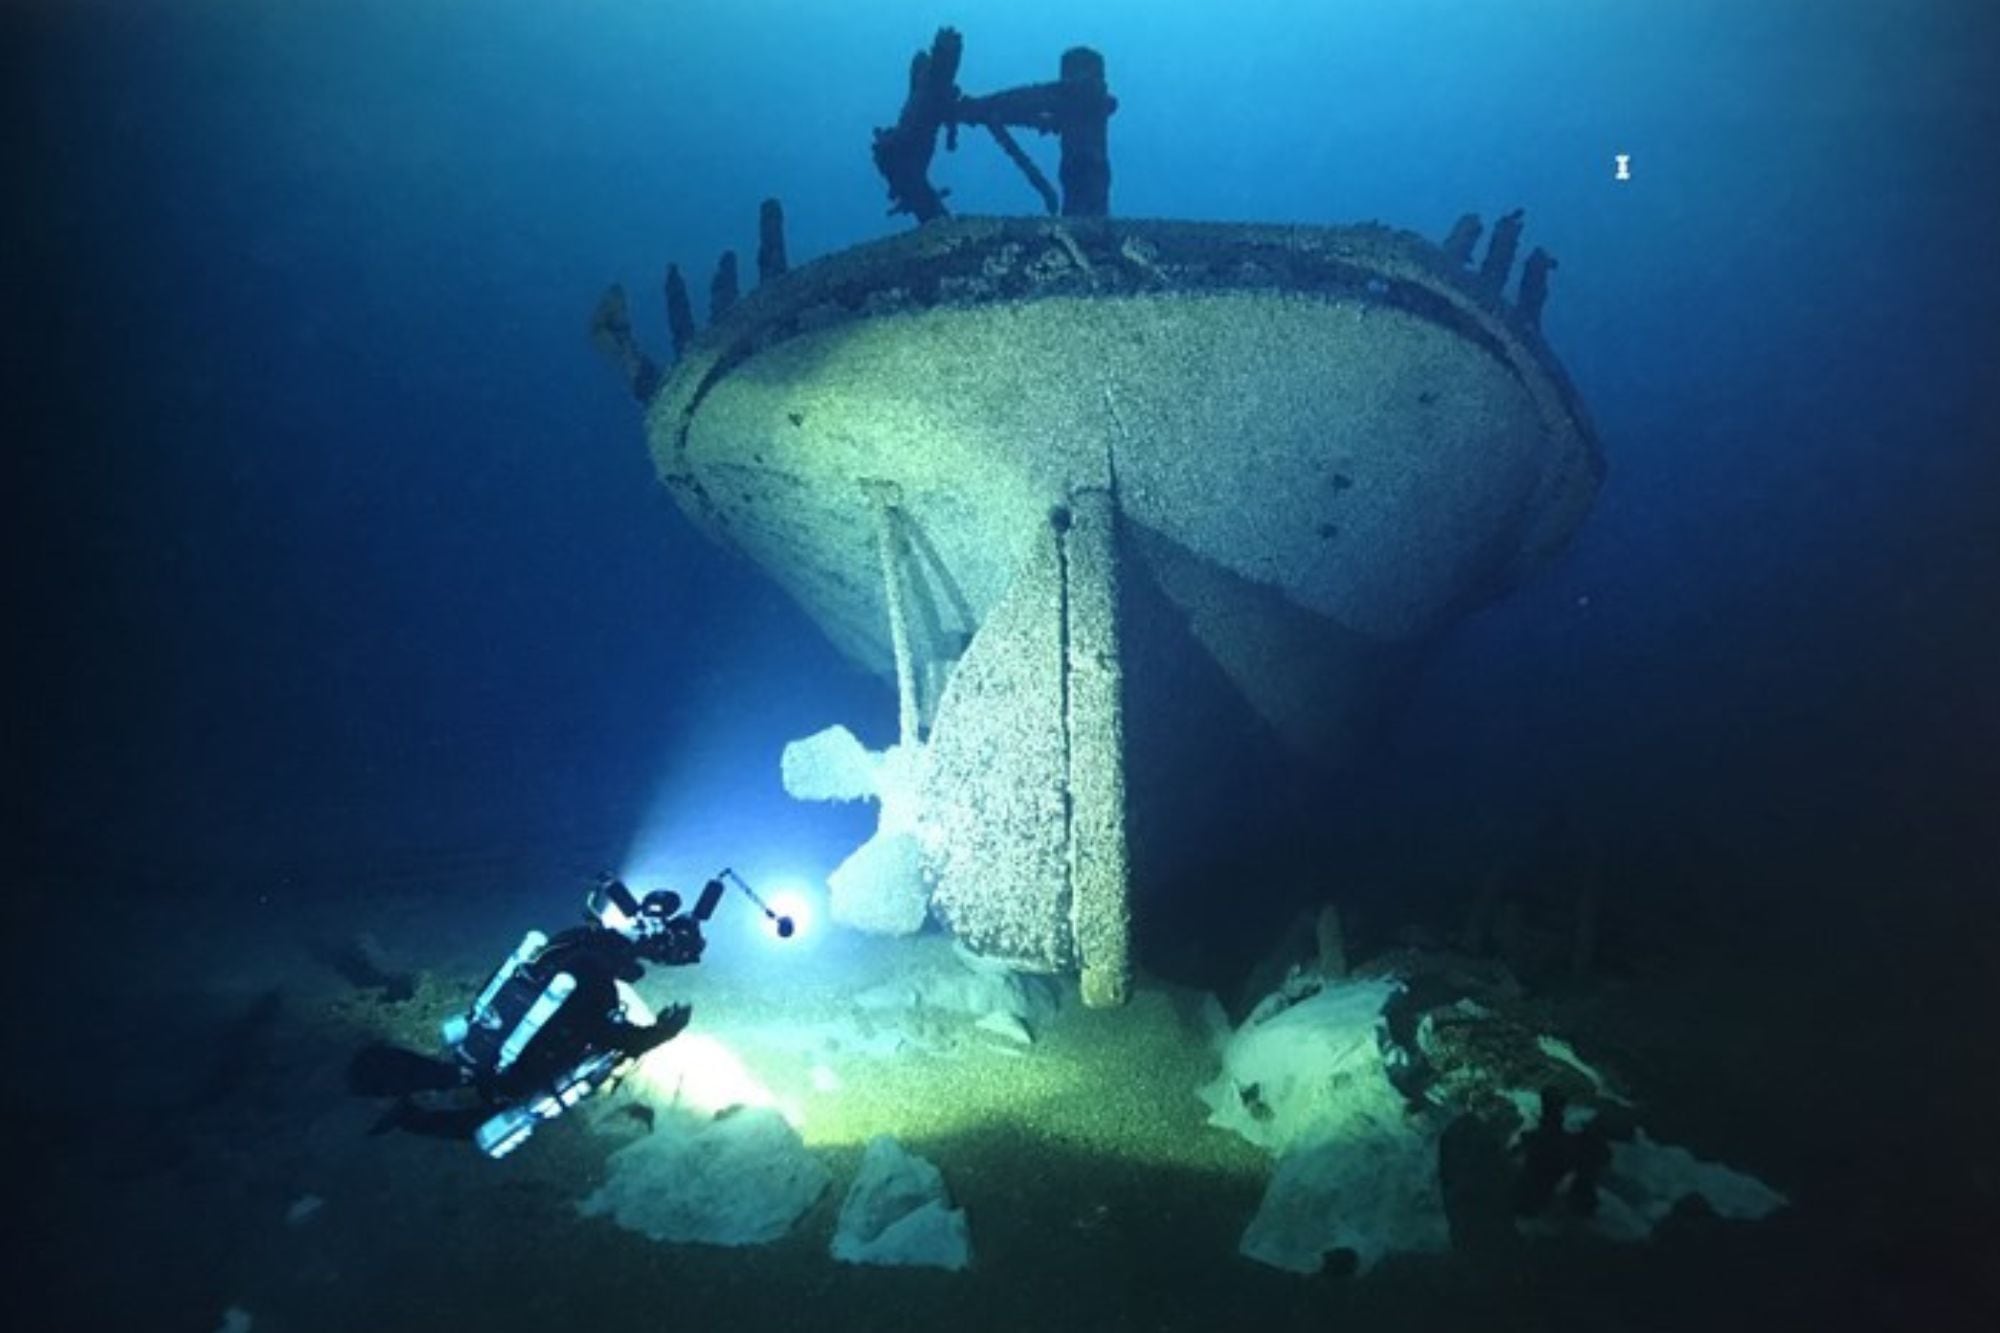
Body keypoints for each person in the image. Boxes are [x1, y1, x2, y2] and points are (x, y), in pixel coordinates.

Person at [349, 874, 717, 1158]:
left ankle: (385, 1080)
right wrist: (663, 1031)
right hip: (518, 1069)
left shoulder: (572, 941)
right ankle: (405, 1114)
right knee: (488, 1120)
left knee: (458, 1074)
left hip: (488, 1037)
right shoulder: (597, 979)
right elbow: (614, 1038)